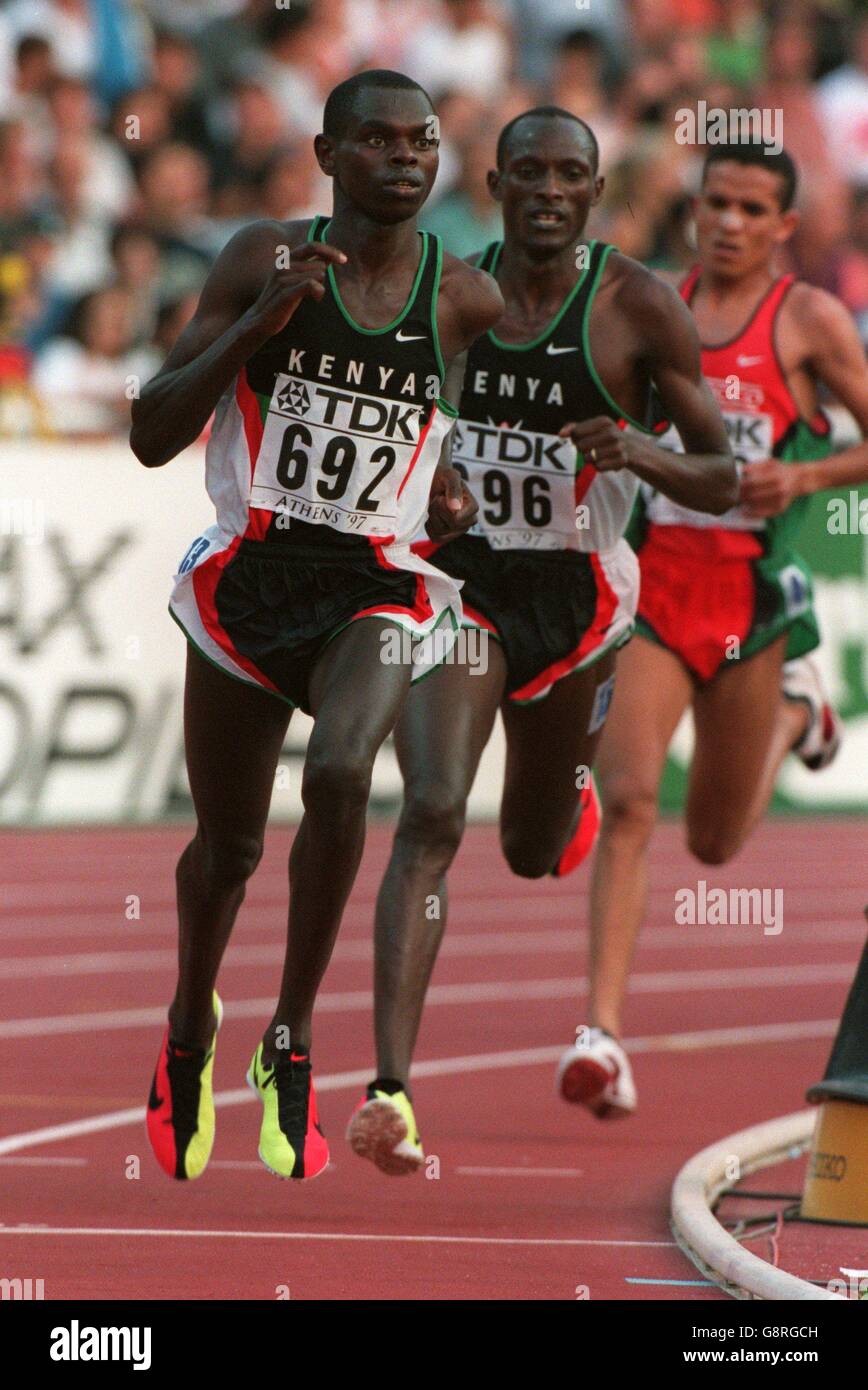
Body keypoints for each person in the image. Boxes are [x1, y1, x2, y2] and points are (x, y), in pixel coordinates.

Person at [347, 107, 737, 1176]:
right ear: (496, 182)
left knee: (527, 849)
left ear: (594, 193)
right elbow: (401, 433)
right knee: (429, 808)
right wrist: (445, 485)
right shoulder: (451, 296)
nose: (549, 190)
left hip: (576, 600)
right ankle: (391, 1089)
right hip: (467, 590)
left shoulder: (636, 306)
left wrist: (639, 452)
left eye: (571, 173)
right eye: (530, 172)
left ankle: (564, 797)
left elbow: (723, 474)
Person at [130, 69, 503, 1182]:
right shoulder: (260, 255)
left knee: (342, 774)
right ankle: (190, 1025)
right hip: (249, 582)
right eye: (377, 140)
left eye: (422, 142)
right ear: (326, 155)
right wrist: (258, 322)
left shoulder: (462, 299)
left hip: (372, 585)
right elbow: (152, 431)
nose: (403, 158)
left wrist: (447, 485)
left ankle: (288, 1036)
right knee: (225, 852)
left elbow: (439, 427)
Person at [581, 142, 868, 1120]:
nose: (730, 222)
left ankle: (796, 717)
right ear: (692, 208)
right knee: (625, 800)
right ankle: (602, 1036)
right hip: (655, 585)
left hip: (749, 599)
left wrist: (808, 476)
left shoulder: (809, 320)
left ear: (784, 226)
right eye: (715, 202)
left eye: (752, 208)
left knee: (712, 845)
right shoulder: (649, 304)